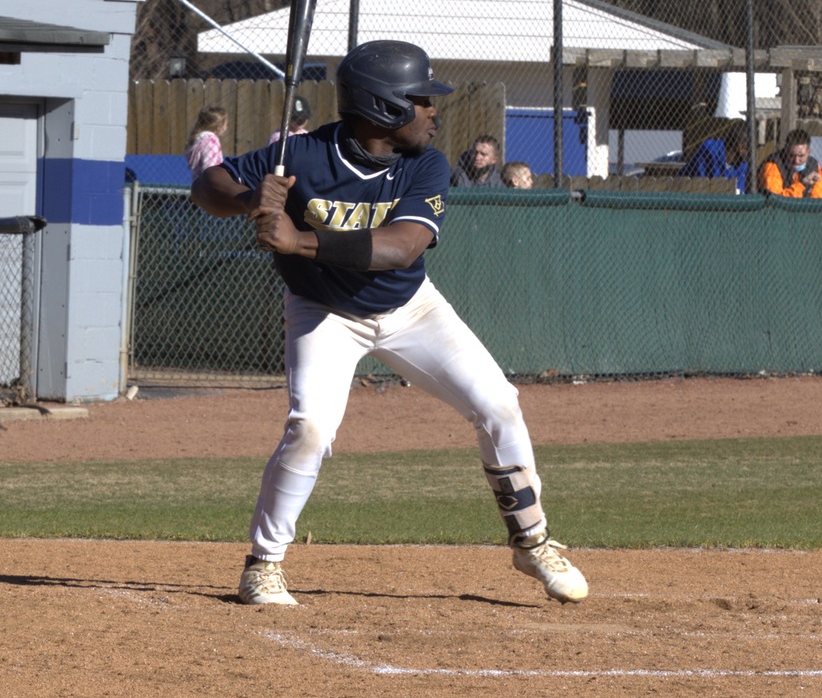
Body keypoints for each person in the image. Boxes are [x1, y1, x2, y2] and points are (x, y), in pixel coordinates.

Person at [190, 39, 587, 608]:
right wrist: (250, 195)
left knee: (499, 402)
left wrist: (295, 239)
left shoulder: (424, 164)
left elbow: (401, 248)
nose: (433, 111)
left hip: (410, 308)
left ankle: (533, 542)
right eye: (421, 100)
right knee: (310, 429)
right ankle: (264, 565)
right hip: (323, 313)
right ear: (385, 108)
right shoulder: (301, 154)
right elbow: (207, 186)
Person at [759, 130, 822, 199]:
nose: (796, 161)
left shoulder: (814, 166)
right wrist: (802, 184)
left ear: (809, 152)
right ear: (786, 150)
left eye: (801, 156)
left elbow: (819, 198)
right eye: (791, 155)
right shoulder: (773, 165)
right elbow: (776, 199)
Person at [682, 125, 750, 190]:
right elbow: (700, 179)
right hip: (687, 189)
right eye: (745, 148)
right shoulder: (710, 149)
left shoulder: (742, 164)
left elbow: (739, 190)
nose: (746, 152)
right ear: (740, 146)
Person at [184, 106, 228, 177]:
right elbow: (210, 168)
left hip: (198, 183)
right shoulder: (211, 140)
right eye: (226, 124)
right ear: (219, 126)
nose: (226, 128)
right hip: (210, 184)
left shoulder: (198, 139)